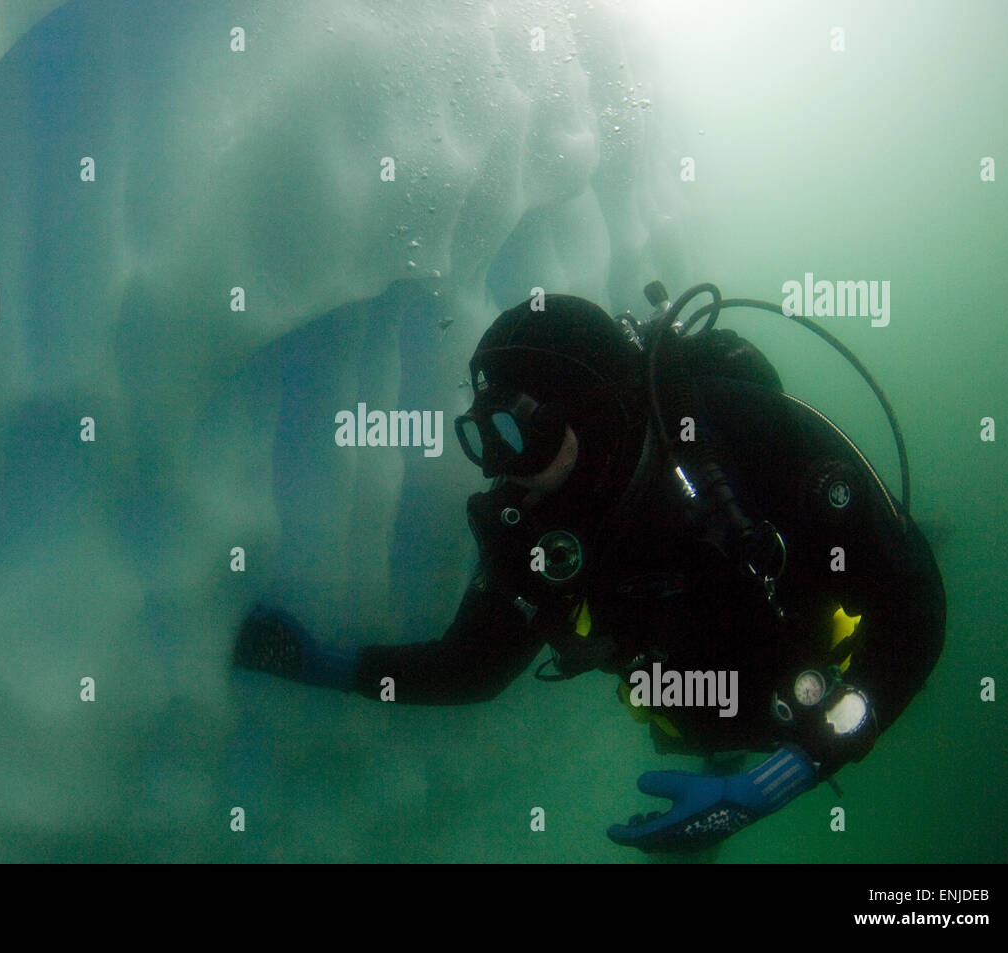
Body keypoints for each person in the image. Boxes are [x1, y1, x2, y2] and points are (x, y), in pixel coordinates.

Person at [233, 286, 946, 852]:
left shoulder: (752, 437)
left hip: (817, 662)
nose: (505, 470)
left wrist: (787, 774)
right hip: (694, 702)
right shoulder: (533, 530)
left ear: (595, 411)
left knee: (878, 566)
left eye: (522, 432)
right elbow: (470, 668)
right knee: (695, 734)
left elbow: (914, 611)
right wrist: (313, 662)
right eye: (484, 437)